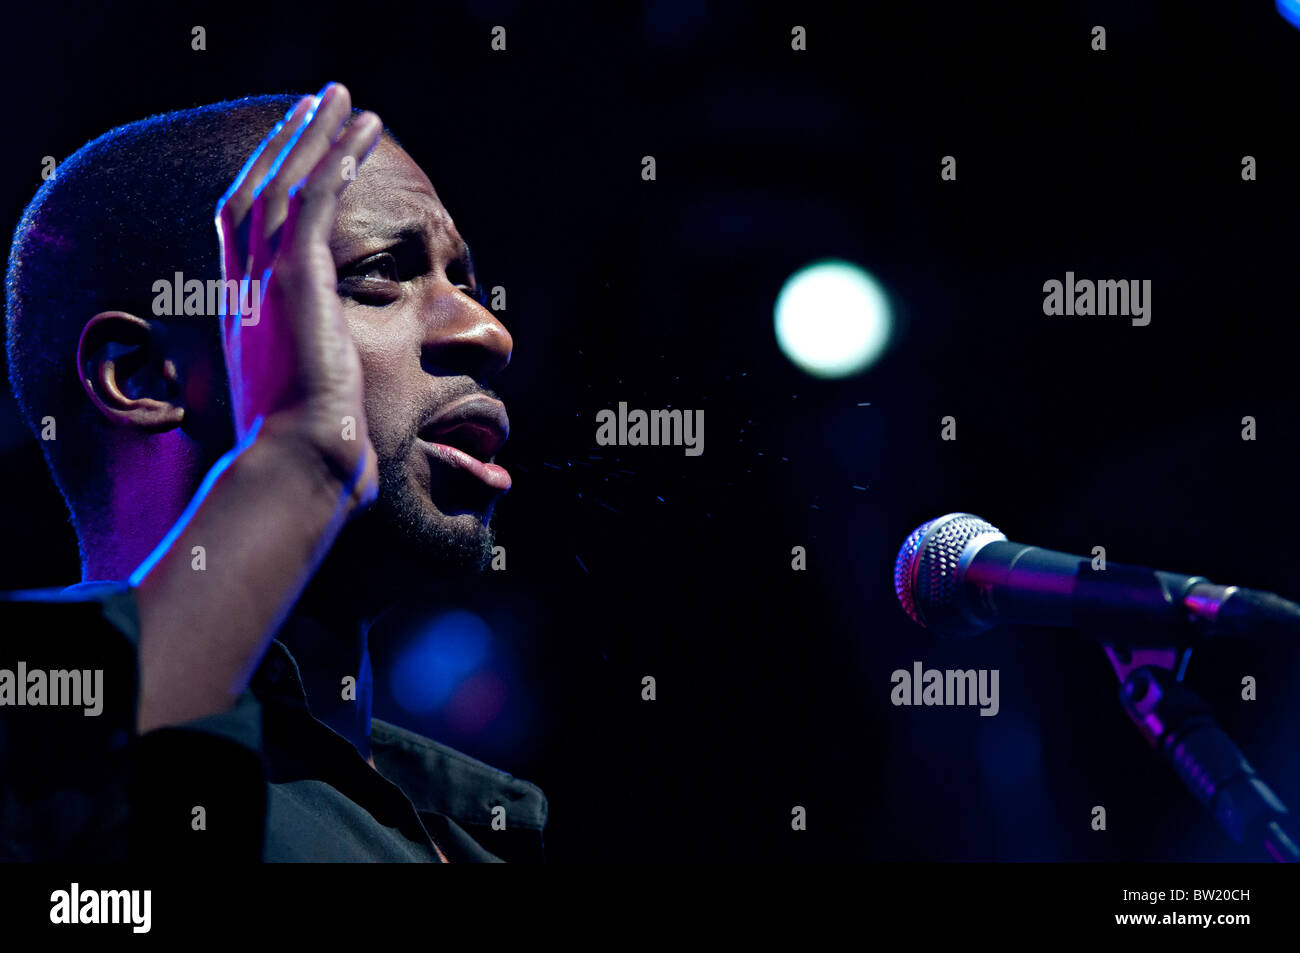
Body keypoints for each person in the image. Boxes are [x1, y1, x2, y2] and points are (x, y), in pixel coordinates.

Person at [0, 83, 546, 862]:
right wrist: (299, 460)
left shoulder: (474, 831)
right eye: (383, 272)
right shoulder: (35, 728)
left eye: (465, 282)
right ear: (145, 376)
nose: (487, 330)